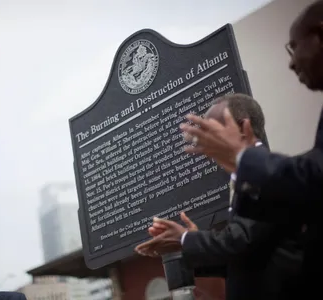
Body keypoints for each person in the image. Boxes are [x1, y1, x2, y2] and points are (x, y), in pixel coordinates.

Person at [177, 0, 323, 287]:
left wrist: (242, 158)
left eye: (294, 47)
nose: (291, 62)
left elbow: (314, 177)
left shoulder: (264, 177)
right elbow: (254, 254)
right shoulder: (252, 178)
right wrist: (193, 241)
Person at [136, 94, 304, 300]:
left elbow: (244, 241)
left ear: (243, 128)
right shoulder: (244, 177)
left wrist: (185, 239)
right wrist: (191, 241)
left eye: (213, 130)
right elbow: (245, 258)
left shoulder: (268, 174)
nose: (203, 141)